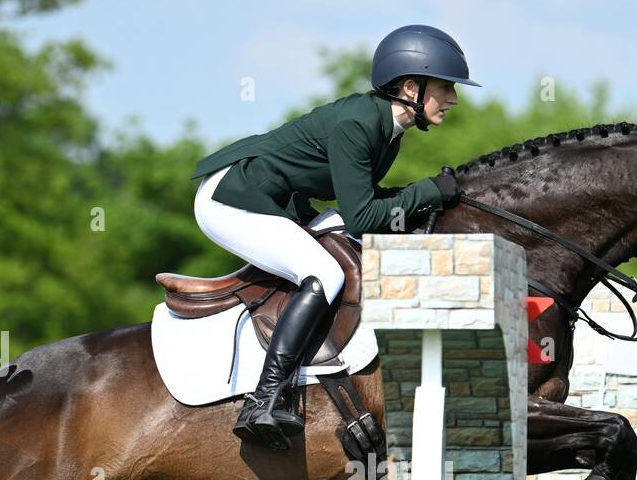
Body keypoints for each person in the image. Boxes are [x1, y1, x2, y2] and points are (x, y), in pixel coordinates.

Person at [189, 24, 476, 450]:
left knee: (333, 256)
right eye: (445, 87)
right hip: (230, 199)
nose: (452, 98)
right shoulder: (358, 124)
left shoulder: (388, 131)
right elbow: (362, 217)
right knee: (324, 272)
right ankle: (264, 398)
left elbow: (365, 202)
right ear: (412, 87)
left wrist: (426, 196)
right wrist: (428, 191)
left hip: (275, 202)